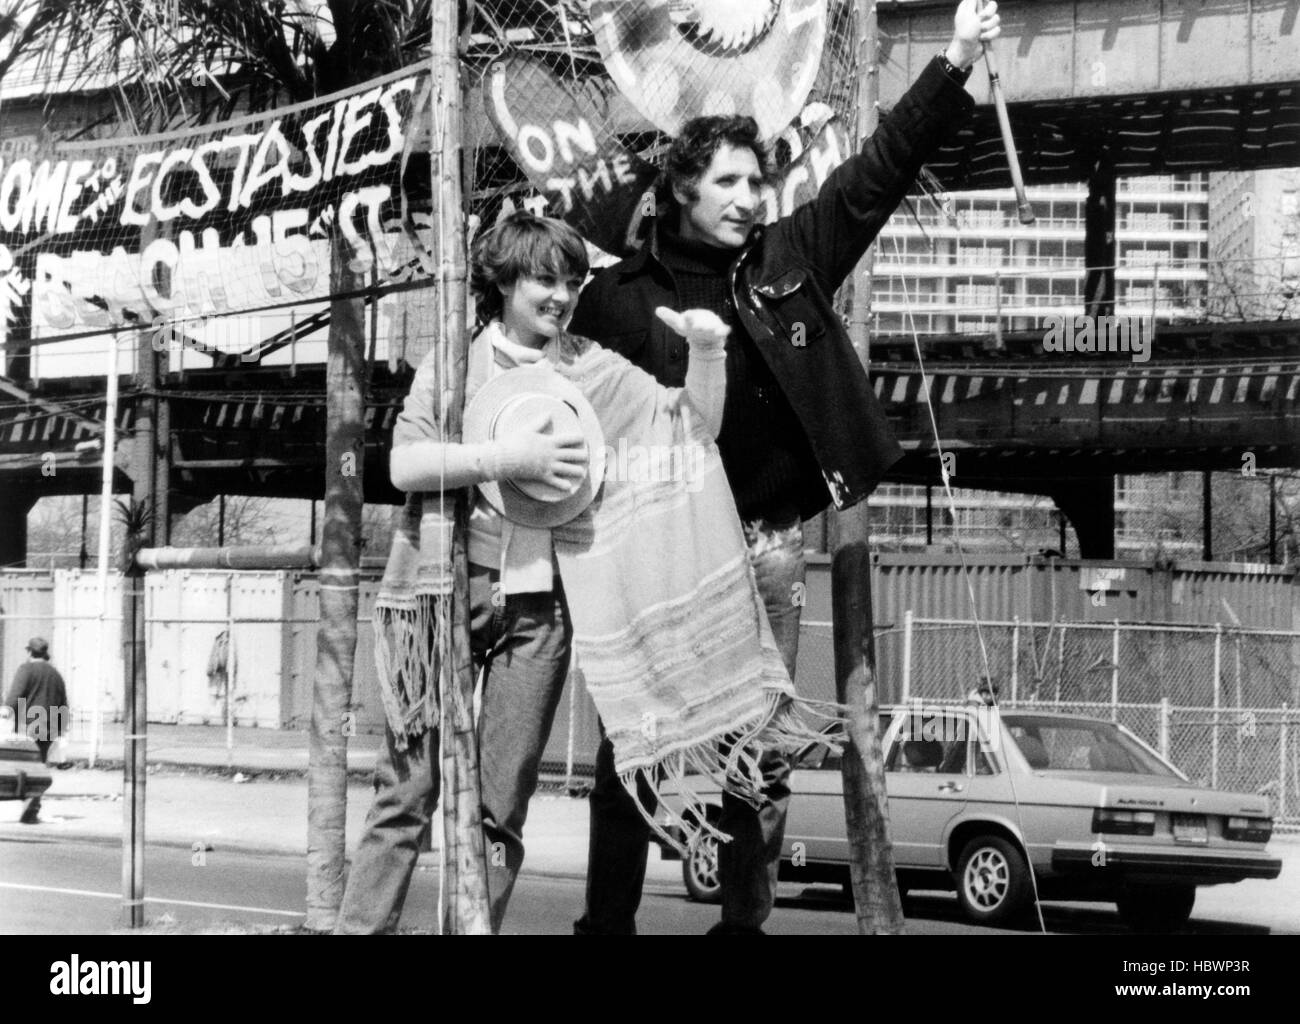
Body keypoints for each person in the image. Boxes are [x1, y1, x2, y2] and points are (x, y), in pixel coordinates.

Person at [569, 0, 1002, 935]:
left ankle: (743, 927)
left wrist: (957, 59)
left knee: (755, 762)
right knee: (632, 748)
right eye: (726, 182)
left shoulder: (788, 256)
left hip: (762, 550)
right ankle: (605, 926)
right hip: (657, 558)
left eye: (754, 182)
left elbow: (875, 176)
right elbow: (577, 424)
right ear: (683, 188)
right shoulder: (614, 301)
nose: (746, 198)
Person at [336, 211, 733, 934]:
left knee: (500, 804)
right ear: (505, 280)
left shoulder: (591, 369)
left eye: (572, 283)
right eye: (545, 280)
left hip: (541, 613)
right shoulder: (454, 365)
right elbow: (404, 466)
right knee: (406, 792)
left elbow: (692, 430)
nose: (561, 297)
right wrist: (501, 460)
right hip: (438, 599)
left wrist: (708, 356)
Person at [3, 637, 69, 824]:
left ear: (29, 651)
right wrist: (61, 731)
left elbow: (15, 696)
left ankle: (25, 804)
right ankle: (32, 807)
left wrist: (5, 714)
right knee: (39, 767)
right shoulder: (55, 674)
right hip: (50, 728)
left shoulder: (26, 669)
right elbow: (63, 703)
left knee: (22, 767)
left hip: (29, 726)